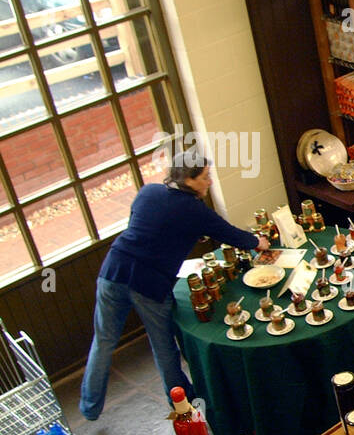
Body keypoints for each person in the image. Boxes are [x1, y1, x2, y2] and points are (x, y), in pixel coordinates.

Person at [79, 149, 268, 421]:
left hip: (113, 271)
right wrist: (257, 242)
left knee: (104, 341)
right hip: (149, 285)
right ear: (188, 181)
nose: (209, 182)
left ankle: (89, 408)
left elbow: (149, 228)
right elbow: (231, 234)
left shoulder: (148, 191)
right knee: (164, 347)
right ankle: (183, 403)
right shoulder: (194, 209)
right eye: (205, 177)